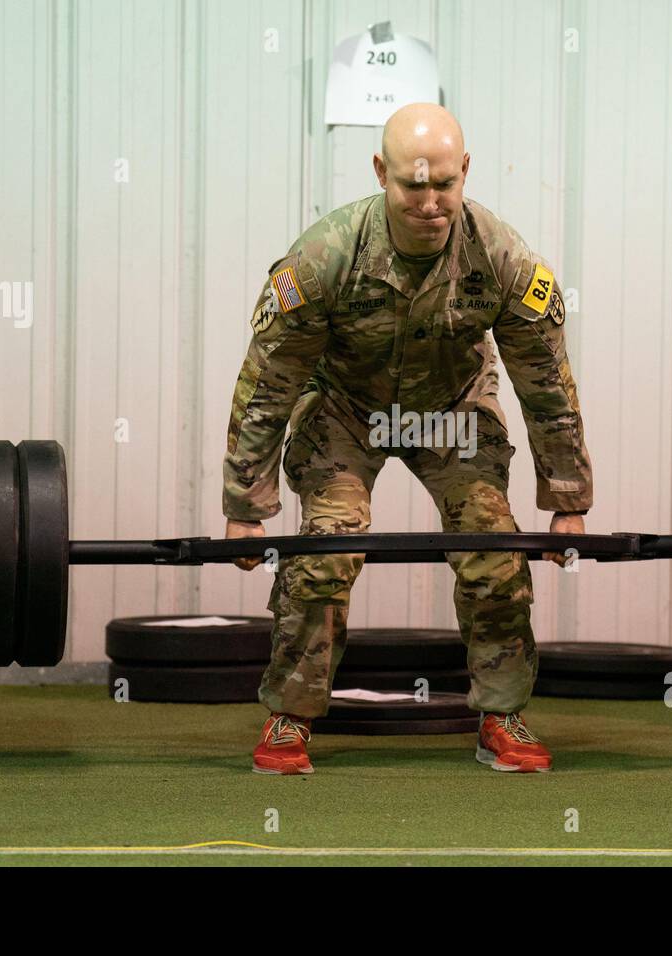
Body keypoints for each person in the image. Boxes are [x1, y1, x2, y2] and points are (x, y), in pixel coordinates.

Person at [222, 103, 593, 775]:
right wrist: (247, 506)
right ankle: (291, 716)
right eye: (412, 186)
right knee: (328, 548)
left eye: (444, 185)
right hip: (344, 408)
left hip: (449, 408)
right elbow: (270, 380)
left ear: (465, 173)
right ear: (380, 174)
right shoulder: (325, 256)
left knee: (492, 545)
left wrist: (567, 499)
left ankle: (501, 716)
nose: (430, 202)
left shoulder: (502, 258)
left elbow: (546, 384)